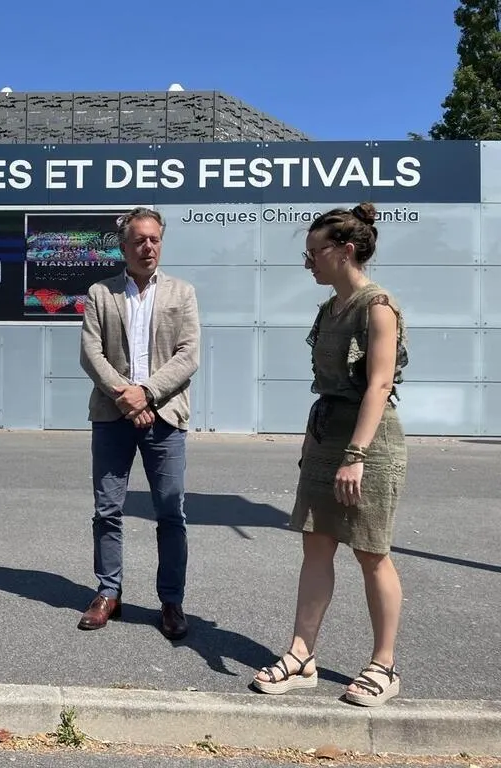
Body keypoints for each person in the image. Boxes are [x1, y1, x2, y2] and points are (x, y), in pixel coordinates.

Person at [252, 203, 409, 707]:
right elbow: (328, 385)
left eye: (314, 253)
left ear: (345, 250)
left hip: (369, 442)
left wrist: (356, 454)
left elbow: (379, 384)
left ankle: (384, 665)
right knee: (316, 546)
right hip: (326, 435)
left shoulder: (377, 306)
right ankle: (302, 656)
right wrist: (314, 445)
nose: (308, 263)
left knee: (371, 552)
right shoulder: (329, 309)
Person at [77, 206, 200, 639]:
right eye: (139, 240)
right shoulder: (100, 293)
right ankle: (108, 592)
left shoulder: (182, 293)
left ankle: (171, 601)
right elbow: (91, 353)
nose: (148, 247)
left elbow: (188, 355)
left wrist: (145, 393)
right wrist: (126, 396)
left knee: (170, 512)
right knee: (107, 509)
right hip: (113, 415)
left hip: (165, 415)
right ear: (123, 246)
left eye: (154, 239)